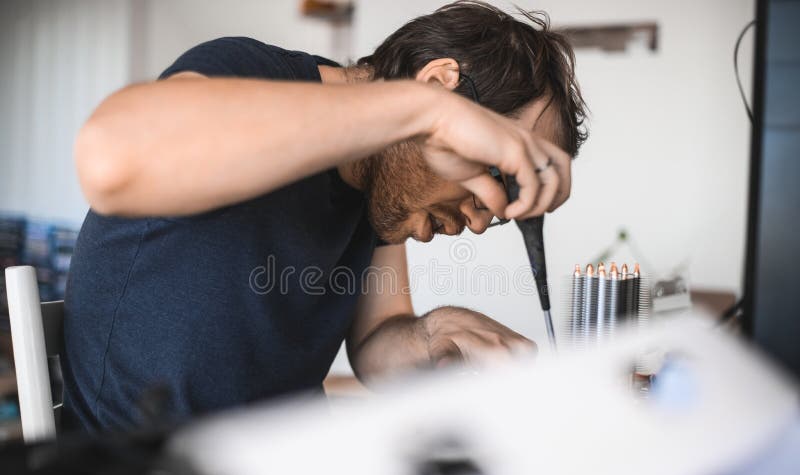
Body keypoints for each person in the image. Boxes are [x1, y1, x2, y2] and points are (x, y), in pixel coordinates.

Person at [64, 0, 588, 432]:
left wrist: (434, 334)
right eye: (495, 175)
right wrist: (429, 114)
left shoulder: (381, 184)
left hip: (275, 469)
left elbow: (376, 340)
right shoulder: (253, 77)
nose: (480, 220)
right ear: (434, 84)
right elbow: (109, 159)